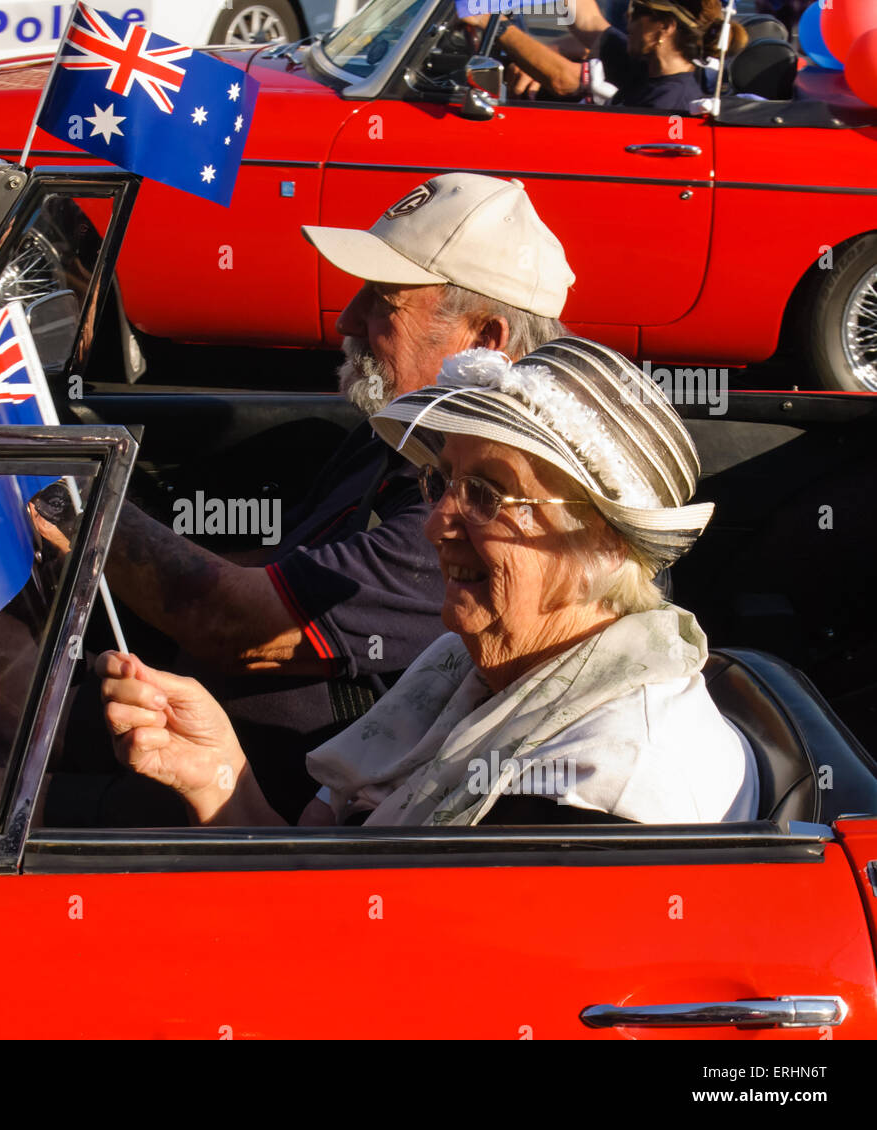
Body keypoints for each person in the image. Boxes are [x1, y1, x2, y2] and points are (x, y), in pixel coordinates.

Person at [50, 173, 573, 823]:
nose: (348, 319)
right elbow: (275, 567)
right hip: (179, 748)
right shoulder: (396, 440)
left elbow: (238, 621)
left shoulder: (480, 515)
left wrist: (62, 491)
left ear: (484, 339)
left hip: (253, 813)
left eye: (383, 301)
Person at [96, 337, 760, 827]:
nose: (436, 524)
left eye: (489, 495)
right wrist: (217, 775)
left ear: (605, 541)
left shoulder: (583, 796)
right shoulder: (468, 664)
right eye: (440, 484)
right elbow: (318, 894)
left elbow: (365, 979)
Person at [465, 0, 748, 111]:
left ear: (664, 28)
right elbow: (586, 18)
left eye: (637, 11)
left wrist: (492, 21)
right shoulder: (647, 67)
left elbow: (563, 80)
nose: (628, 17)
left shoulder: (665, 103)